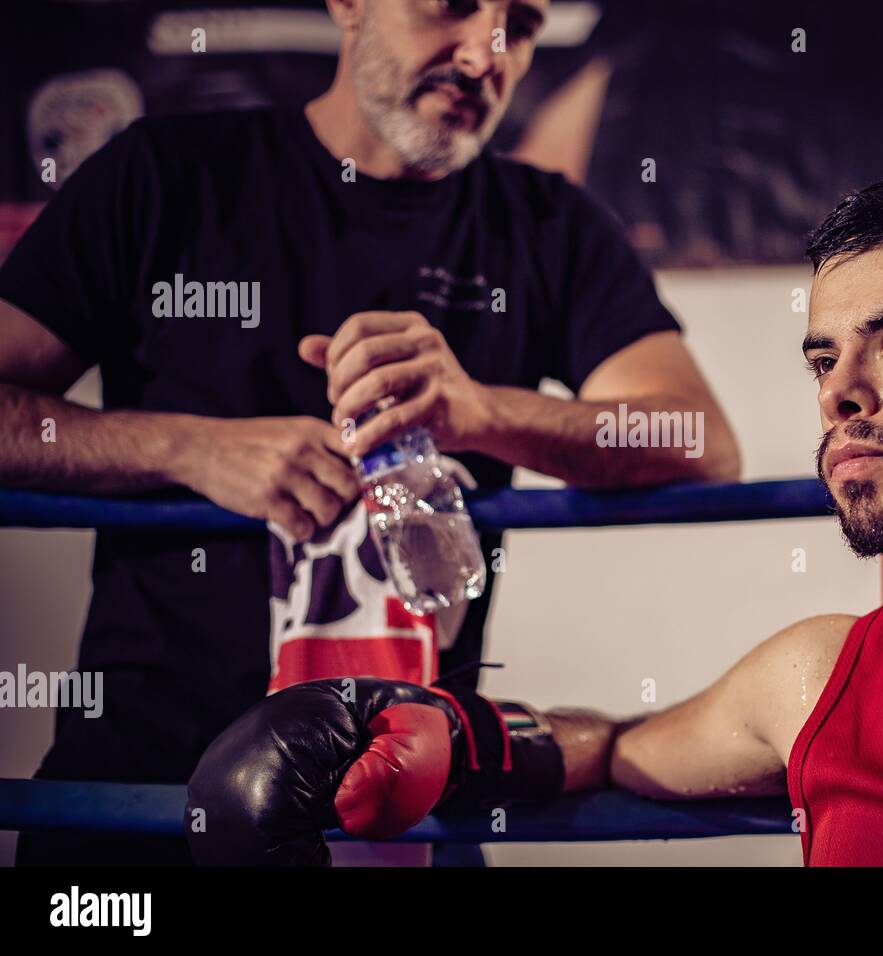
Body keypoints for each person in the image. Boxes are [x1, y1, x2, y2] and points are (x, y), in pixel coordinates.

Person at [189, 175, 883, 866]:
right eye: (824, 356)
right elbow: (614, 748)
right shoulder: (811, 679)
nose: (840, 392)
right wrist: (460, 734)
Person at [0, 0, 739, 865]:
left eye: (524, 21)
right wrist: (186, 447)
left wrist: (481, 412)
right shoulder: (167, 174)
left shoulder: (547, 224)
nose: (484, 54)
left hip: (411, 802)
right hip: (143, 801)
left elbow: (699, 441)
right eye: (454, 5)